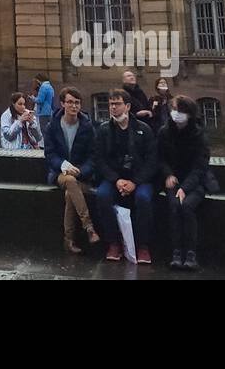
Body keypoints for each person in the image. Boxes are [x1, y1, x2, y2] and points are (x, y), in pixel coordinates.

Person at [92, 87, 158, 265]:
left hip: (139, 179)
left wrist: (135, 182)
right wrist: (116, 180)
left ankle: (143, 246)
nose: (113, 108)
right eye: (111, 104)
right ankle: (114, 243)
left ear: (127, 106)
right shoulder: (104, 130)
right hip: (114, 178)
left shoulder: (144, 129)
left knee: (144, 199)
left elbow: (152, 161)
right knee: (102, 196)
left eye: (117, 104)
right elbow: (99, 160)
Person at [159, 95, 214, 271]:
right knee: (174, 206)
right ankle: (176, 252)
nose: (175, 113)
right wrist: (168, 174)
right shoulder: (164, 132)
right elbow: (160, 158)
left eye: (179, 110)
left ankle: (191, 253)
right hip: (173, 179)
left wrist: (185, 187)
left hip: (195, 181)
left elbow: (200, 166)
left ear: (188, 113)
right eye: (173, 109)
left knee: (187, 206)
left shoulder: (199, 135)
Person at [43, 86, 100, 254]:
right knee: (68, 180)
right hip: (59, 173)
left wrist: (81, 171)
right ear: (62, 104)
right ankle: (89, 227)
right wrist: (63, 165)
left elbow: (93, 156)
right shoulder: (52, 126)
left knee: (70, 192)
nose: (74, 106)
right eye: (70, 102)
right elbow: (49, 153)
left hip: (81, 176)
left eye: (77, 103)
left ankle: (68, 240)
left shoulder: (87, 127)